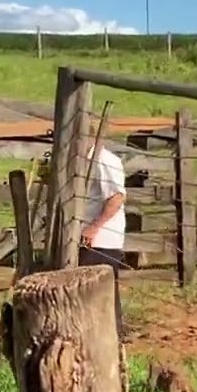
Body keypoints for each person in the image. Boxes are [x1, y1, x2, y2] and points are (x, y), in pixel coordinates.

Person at [78, 140, 128, 342]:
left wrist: (93, 228)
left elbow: (116, 197)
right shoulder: (85, 160)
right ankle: (103, 337)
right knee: (91, 289)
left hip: (101, 238)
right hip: (88, 236)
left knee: (98, 290)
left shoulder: (105, 160)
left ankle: (110, 338)